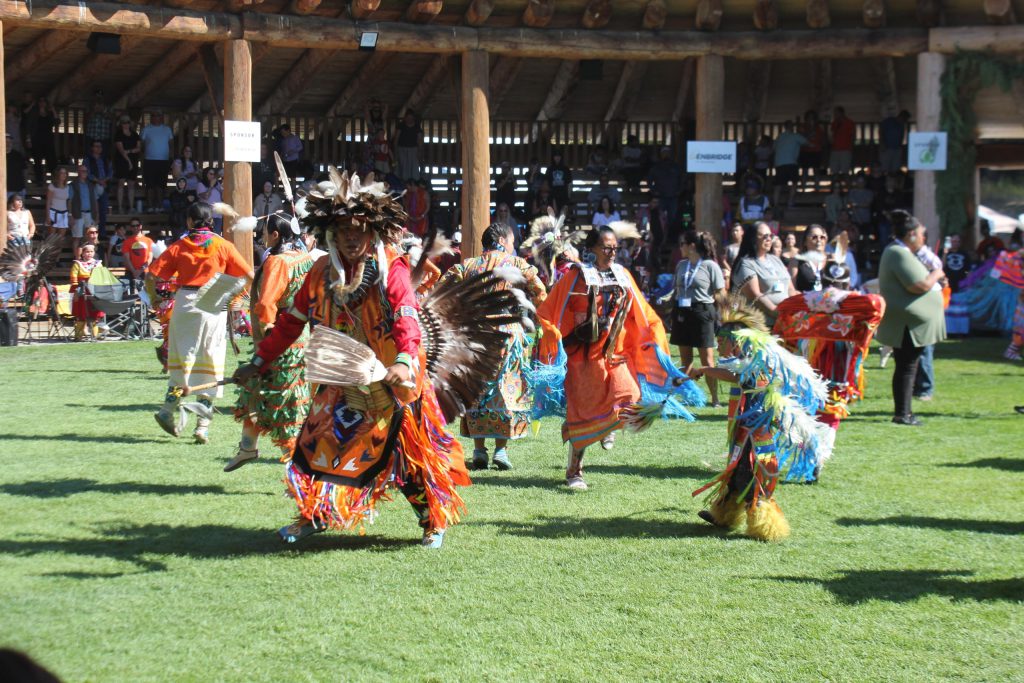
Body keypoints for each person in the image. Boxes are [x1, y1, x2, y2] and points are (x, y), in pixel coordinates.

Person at [232, 171, 468, 548]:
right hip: (341, 375)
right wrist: (259, 360)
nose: (352, 237)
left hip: (394, 376)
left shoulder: (392, 267)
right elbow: (291, 322)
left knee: (405, 454)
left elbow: (407, 313)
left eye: (359, 229)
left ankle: (431, 520)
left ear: (372, 229)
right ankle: (315, 514)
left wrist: (405, 361)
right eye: (344, 230)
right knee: (316, 444)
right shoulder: (320, 272)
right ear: (332, 233)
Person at [536, 225, 685, 491]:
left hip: (614, 353)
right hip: (582, 358)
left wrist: (655, 338)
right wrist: (556, 336)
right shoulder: (575, 277)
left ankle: (608, 427)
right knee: (582, 414)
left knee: (628, 395)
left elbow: (642, 311)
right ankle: (574, 471)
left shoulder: (623, 275)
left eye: (616, 247)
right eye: (606, 247)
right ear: (591, 249)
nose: (612, 252)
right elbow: (551, 311)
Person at [690, 295, 825, 541]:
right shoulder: (750, 359)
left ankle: (766, 528)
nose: (718, 346)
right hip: (745, 428)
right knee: (735, 472)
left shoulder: (757, 363)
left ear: (737, 342)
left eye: (721, 341)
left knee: (751, 475)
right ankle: (724, 515)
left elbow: (739, 378)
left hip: (756, 433)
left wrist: (704, 369)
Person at [438, 223, 546, 471]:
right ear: (500, 239)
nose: (513, 245)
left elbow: (442, 289)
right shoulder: (518, 264)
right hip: (509, 336)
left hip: (475, 336)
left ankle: (478, 450)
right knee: (506, 391)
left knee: (477, 393)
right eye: (511, 240)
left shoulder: (467, 266)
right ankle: (501, 451)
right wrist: (543, 320)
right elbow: (539, 291)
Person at [773, 247, 885, 481]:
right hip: (837, 368)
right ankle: (817, 456)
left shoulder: (807, 305)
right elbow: (877, 305)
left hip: (810, 367)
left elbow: (784, 311)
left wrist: (821, 299)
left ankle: (810, 455)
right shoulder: (855, 307)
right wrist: (841, 299)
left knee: (809, 410)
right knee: (830, 413)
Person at [146, 202, 254, 443]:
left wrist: (155, 299)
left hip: (185, 302)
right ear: (211, 222)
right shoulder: (223, 246)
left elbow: (152, 275)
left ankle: (167, 410)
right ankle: (202, 427)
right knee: (210, 359)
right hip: (213, 303)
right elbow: (249, 276)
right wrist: (233, 295)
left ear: (189, 221)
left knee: (182, 357)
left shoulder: (180, 246)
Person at [225, 213, 314, 471]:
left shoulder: (278, 262)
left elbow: (265, 304)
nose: (262, 237)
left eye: (265, 232)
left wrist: (266, 332)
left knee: (286, 404)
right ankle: (247, 448)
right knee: (256, 391)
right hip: (303, 337)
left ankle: (298, 469)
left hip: (281, 339)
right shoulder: (306, 259)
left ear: (275, 235)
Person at [876, 210, 946, 426]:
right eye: (922, 234)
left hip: (908, 322)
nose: (924, 239)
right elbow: (919, 285)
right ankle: (902, 414)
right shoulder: (898, 252)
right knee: (907, 366)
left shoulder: (902, 252)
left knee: (908, 366)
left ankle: (904, 412)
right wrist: (938, 273)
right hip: (905, 323)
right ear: (911, 235)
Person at [666, 230, 726, 406]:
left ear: (692, 246)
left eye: (683, 244)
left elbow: (720, 292)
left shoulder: (710, 266)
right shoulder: (681, 265)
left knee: (707, 358)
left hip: (702, 312)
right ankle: (691, 396)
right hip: (682, 312)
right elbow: (677, 288)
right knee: (686, 360)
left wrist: (726, 315)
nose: (680, 248)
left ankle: (714, 398)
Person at [731, 222, 797, 326]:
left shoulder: (776, 260)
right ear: (753, 239)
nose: (769, 239)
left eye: (771, 236)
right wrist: (780, 314)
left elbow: (790, 289)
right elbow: (755, 297)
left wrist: (799, 306)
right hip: (760, 327)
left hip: (784, 323)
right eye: (765, 236)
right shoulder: (746, 263)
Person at [69, 243, 106, 341]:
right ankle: (78, 336)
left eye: (91, 251)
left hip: (94, 292)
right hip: (81, 291)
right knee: (81, 315)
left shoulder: (98, 264)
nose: (89, 253)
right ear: (83, 253)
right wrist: (76, 291)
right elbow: (74, 277)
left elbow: (101, 277)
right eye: (87, 251)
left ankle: (94, 336)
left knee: (94, 316)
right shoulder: (77, 264)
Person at [140, 112, 174, 213]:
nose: (156, 117)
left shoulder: (167, 129)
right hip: (149, 160)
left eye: (158, 115)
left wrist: (171, 158)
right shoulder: (146, 129)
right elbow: (141, 144)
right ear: (151, 117)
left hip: (163, 161)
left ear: (162, 117)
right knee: (149, 185)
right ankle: (150, 206)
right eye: (154, 115)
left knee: (161, 185)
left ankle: (160, 206)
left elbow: (171, 144)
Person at [771, 121, 808, 209]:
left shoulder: (779, 137)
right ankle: (790, 201)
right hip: (791, 162)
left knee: (778, 185)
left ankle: (776, 204)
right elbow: (807, 143)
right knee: (794, 183)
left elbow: (773, 148)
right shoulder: (795, 136)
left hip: (780, 163)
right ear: (791, 127)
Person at [112, 115, 141, 214]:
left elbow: (138, 148)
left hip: (133, 161)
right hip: (121, 161)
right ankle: (120, 207)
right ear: (121, 124)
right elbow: (121, 150)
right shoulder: (118, 134)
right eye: (124, 122)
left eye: (127, 122)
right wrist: (129, 161)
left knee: (131, 184)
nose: (126, 124)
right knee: (121, 183)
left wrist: (130, 151)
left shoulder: (134, 134)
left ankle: (131, 207)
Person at [789, 224, 829, 292]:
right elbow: (792, 289)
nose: (819, 240)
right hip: (804, 301)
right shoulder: (796, 261)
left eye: (822, 237)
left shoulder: (831, 260)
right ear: (805, 242)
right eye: (814, 237)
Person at [84, 141, 112, 235]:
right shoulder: (87, 159)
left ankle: (102, 233)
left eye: (100, 146)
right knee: (93, 211)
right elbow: (87, 173)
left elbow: (111, 172)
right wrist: (98, 180)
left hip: (104, 186)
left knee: (103, 210)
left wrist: (105, 180)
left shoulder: (106, 159)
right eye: (96, 146)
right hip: (92, 187)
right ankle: (91, 234)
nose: (99, 148)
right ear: (92, 148)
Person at [68, 164, 96, 257]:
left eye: (86, 171)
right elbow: (70, 200)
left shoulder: (90, 185)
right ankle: (77, 260)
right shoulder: (73, 185)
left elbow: (95, 200)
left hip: (89, 213)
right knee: (77, 237)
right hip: (77, 213)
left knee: (90, 237)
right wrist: (70, 215)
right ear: (78, 172)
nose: (85, 173)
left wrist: (97, 215)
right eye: (82, 171)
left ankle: (89, 259)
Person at [121, 219, 154, 293]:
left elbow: (150, 258)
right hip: (131, 272)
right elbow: (127, 259)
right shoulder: (127, 242)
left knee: (145, 296)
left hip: (145, 272)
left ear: (141, 226)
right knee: (132, 296)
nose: (135, 227)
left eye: (137, 225)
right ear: (130, 227)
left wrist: (140, 270)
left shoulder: (149, 240)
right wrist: (134, 272)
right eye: (133, 226)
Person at [394, 109, 422, 181]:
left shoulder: (417, 126)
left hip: (413, 149)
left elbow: (419, 139)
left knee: (414, 167)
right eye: (408, 117)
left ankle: (414, 183)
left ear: (413, 118)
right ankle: (403, 183)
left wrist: (419, 151)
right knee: (403, 167)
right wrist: (396, 150)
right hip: (402, 149)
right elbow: (396, 138)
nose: (409, 119)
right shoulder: (401, 125)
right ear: (405, 118)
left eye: (411, 118)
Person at [830, 106, 857, 176]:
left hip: (845, 149)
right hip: (835, 150)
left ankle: (846, 186)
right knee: (834, 170)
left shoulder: (849, 123)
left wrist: (850, 147)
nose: (835, 114)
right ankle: (835, 186)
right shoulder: (834, 123)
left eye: (836, 113)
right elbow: (832, 134)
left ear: (841, 113)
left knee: (845, 171)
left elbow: (853, 136)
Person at [45, 166, 70, 240]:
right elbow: (48, 201)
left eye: (65, 173)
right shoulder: (52, 186)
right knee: (51, 239)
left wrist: (69, 214)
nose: (64, 175)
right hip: (53, 213)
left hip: (64, 214)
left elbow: (68, 201)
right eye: (62, 173)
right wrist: (48, 216)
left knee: (60, 239)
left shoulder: (67, 187)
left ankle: (58, 252)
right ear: (58, 174)